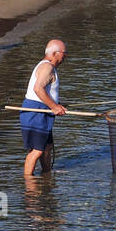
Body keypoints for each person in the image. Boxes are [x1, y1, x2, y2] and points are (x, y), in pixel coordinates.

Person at [21, 40, 68, 177]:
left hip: (43, 109)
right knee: (37, 150)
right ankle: (29, 184)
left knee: (46, 147)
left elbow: (45, 91)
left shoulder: (48, 67)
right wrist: (54, 106)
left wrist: (57, 104)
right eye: (64, 53)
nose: (66, 56)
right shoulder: (47, 67)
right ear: (54, 53)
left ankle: (46, 175)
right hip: (36, 111)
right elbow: (38, 89)